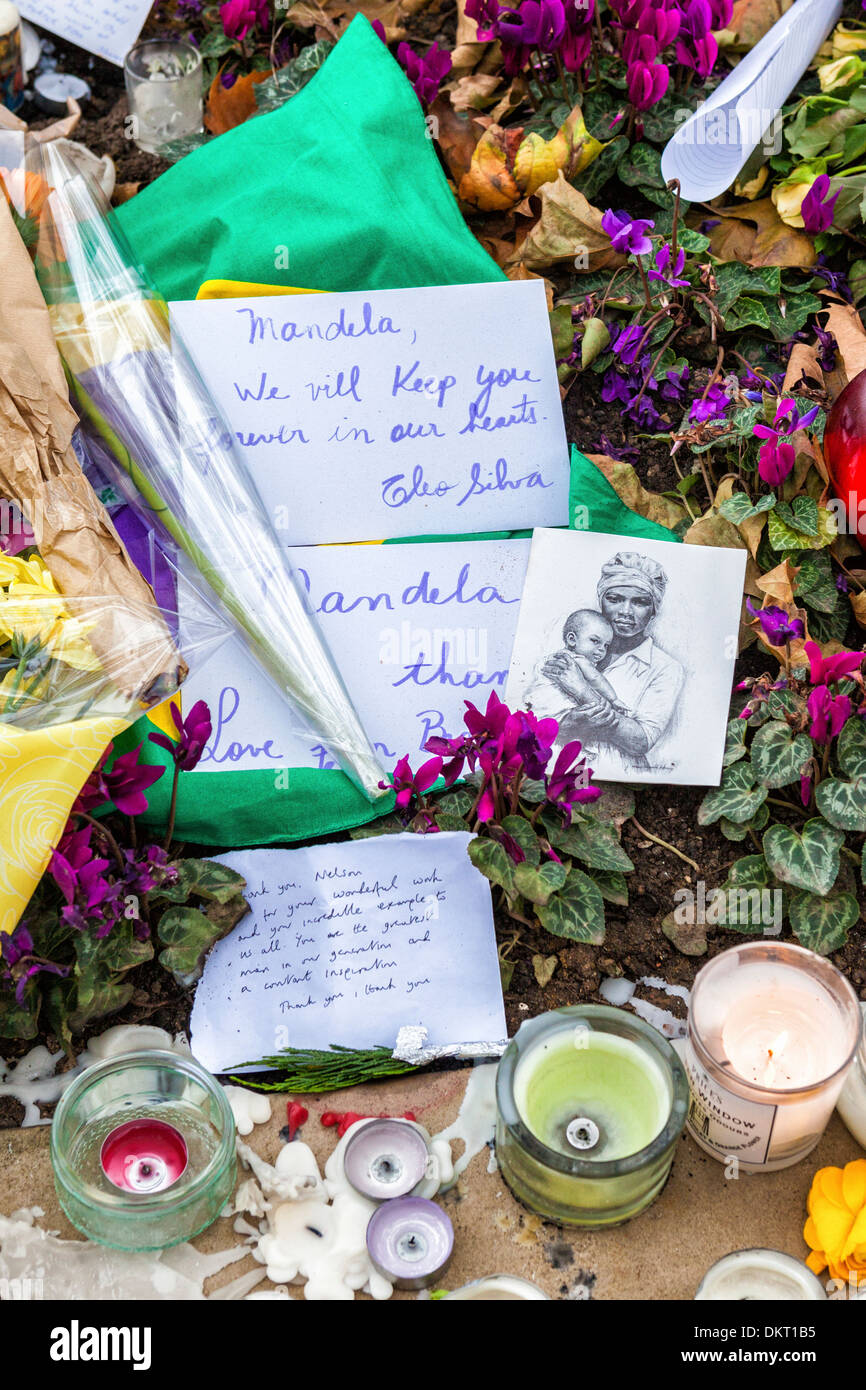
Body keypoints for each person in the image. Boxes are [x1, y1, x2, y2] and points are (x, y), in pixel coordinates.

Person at [540, 551, 684, 775]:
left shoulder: (666, 668)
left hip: (618, 774)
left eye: (640, 602)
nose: (625, 612)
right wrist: (571, 723)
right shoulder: (571, 652)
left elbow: (640, 741)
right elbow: (538, 718)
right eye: (615, 599)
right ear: (601, 602)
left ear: (654, 610)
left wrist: (582, 691)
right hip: (557, 769)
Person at [524, 608, 630, 724]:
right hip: (557, 708)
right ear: (572, 640)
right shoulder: (577, 660)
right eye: (595, 641)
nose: (601, 649)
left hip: (538, 707)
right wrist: (614, 699)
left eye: (606, 645)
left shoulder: (552, 657)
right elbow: (596, 678)